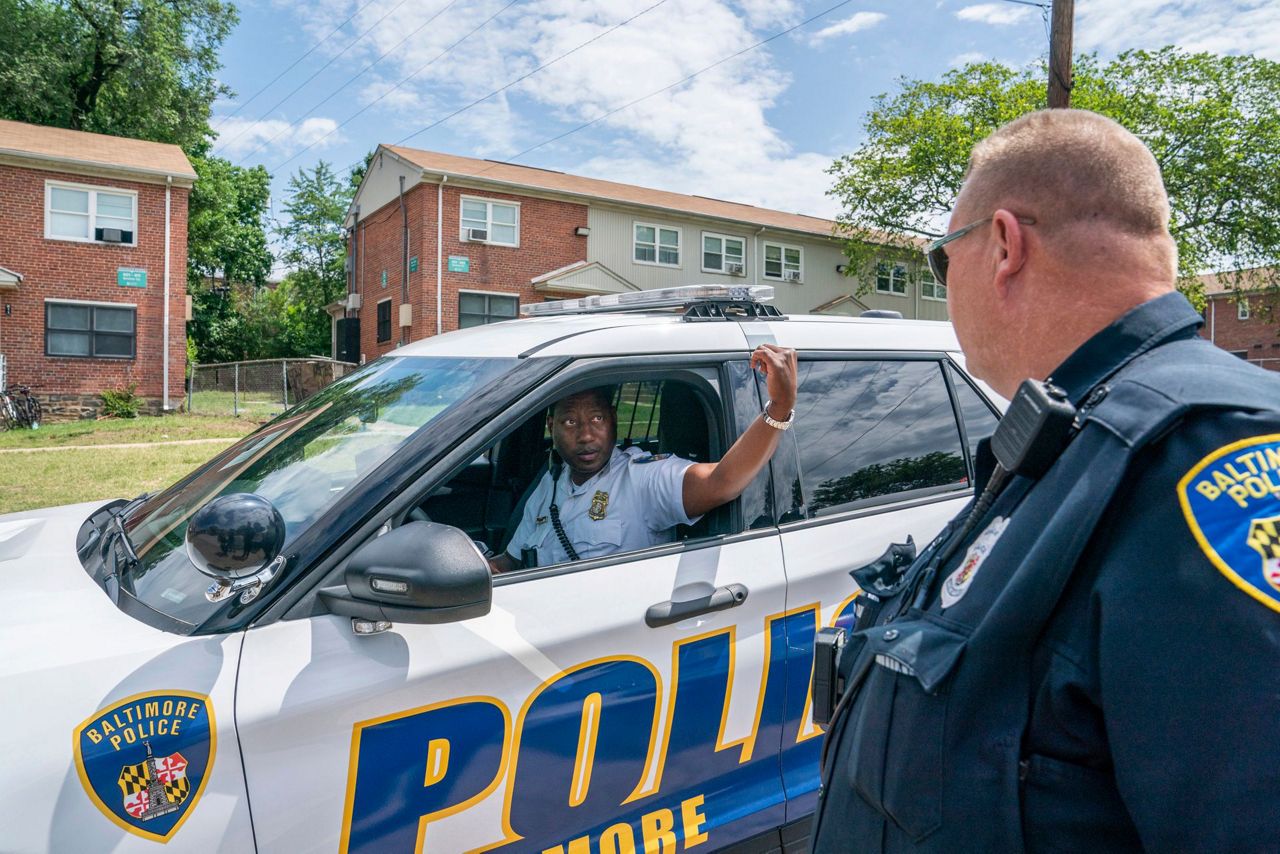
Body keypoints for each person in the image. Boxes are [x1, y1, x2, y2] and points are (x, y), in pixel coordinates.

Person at [811, 109, 1280, 852]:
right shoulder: (1075, 437)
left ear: (1003, 244)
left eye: (941, 259)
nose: (944, 286)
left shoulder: (1213, 453)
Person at [489, 343, 799, 572]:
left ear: (613, 420)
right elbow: (513, 561)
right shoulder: (551, 481)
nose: (585, 435)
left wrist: (780, 406)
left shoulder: (642, 478)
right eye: (570, 422)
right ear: (551, 427)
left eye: (596, 419)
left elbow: (723, 482)